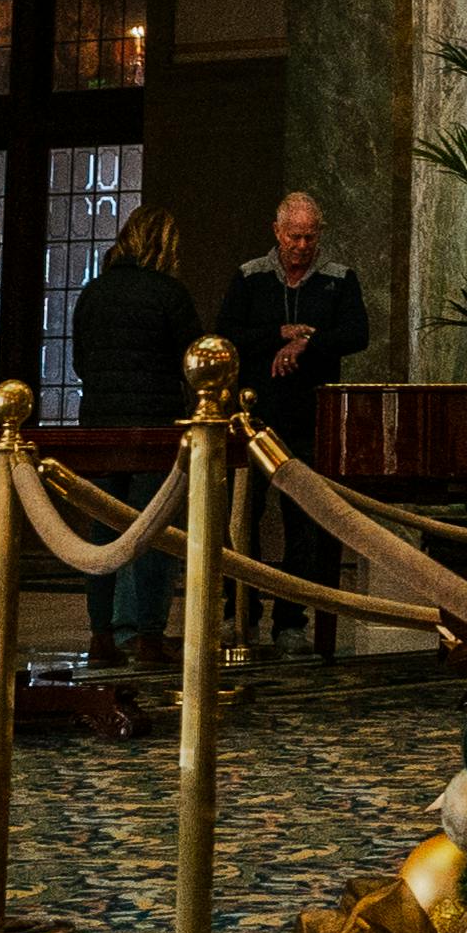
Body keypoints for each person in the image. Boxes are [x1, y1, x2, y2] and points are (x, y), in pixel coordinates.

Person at [223, 189, 369, 650]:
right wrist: (279, 335)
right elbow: (227, 334)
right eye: (294, 237)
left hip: (311, 419)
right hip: (256, 416)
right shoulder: (250, 277)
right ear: (277, 233)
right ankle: (239, 610)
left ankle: (292, 620)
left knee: (303, 525)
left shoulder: (339, 279)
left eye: (309, 237)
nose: (302, 246)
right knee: (240, 518)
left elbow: (357, 334)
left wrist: (309, 343)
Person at [67, 202, 194, 656]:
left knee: (102, 530)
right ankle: (149, 634)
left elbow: (80, 361)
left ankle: (101, 632)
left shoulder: (94, 292)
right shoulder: (169, 294)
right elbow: (191, 362)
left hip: (100, 425)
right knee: (153, 530)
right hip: (153, 429)